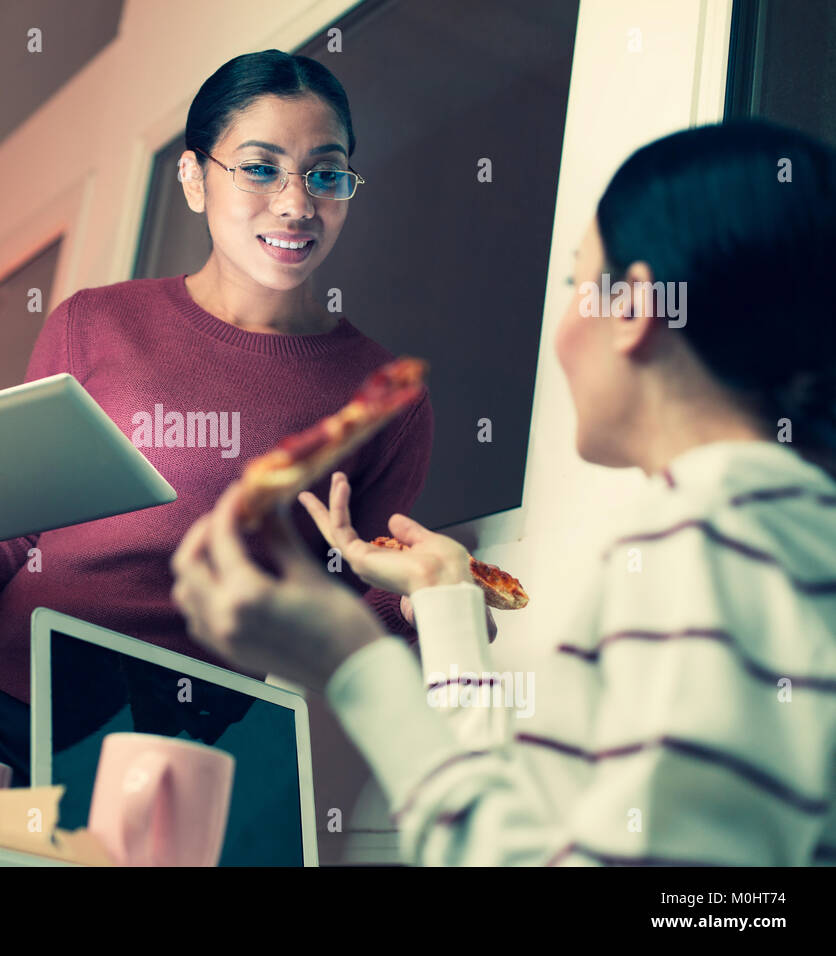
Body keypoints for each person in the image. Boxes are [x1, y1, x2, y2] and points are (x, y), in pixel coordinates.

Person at [171, 119, 836, 865]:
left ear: (637, 310)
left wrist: (355, 666)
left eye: (577, 285)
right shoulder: (778, 532)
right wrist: (447, 594)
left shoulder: (712, 537)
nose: (562, 330)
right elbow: (529, 826)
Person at [0, 50, 454, 786]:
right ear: (194, 178)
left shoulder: (383, 399)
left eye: (325, 173)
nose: (296, 203)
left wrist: (429, 610)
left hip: (180, 741)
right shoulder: (95, 322)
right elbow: (9, 566)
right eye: (259, 167)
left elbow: (348, 592)